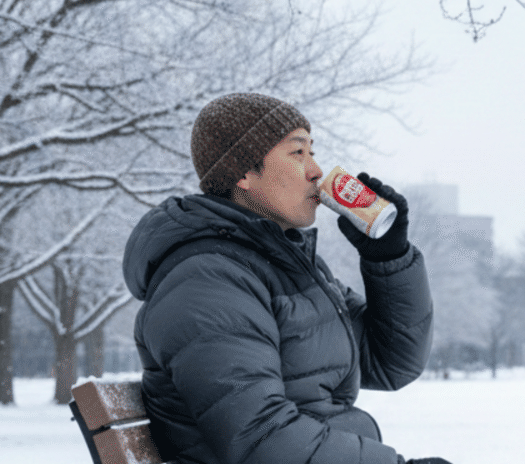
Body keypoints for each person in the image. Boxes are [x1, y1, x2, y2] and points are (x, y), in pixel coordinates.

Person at [122, 93, 450, 464]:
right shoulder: (207, 280)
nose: (315, 171)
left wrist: (388, 258)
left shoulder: (286, 267)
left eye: (313, 152)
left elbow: (392, 363)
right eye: (298, 153)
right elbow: (261, 436)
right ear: (243, 173)